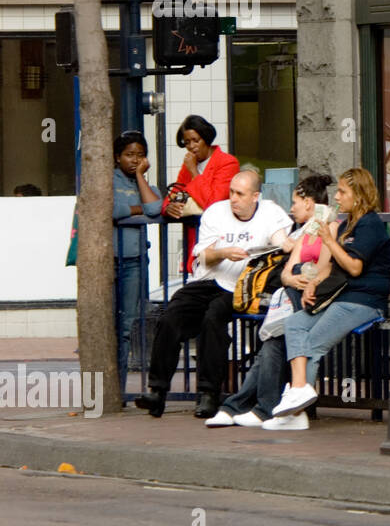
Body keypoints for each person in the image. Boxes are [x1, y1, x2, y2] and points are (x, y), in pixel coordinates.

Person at [135, 169, 291, 419]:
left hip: (242, 286)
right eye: (231, 192)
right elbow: (204, 254)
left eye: (240, 194)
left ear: (255, 197)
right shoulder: (216, 212)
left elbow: (281, 240)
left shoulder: (270, 212)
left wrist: (296, 243)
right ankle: (157, 390)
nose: (234, 198)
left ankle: (208, 393)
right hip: (209, 279)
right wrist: (224, 252)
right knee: (171, 317)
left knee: (213, 318)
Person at [205, 174, 334, 428]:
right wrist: (291, 278)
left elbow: (324, 267)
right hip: (292, 294)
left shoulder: (327, 227)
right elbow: (288, 270)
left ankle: (251, 407)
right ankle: (249, 407)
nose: (291, 208)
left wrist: (305, 281)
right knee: (272, 341)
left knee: (274, 341)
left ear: (309, 203)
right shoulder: (301, 232)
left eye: (296, 202)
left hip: (312, 298)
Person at [270, 168, 390, 429]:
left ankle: (295, 411)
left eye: (342, 192)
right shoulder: (349, 224)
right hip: (342, 296)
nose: (337, 197)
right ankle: (298, 397)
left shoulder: (370, 224)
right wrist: (313, 283)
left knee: (312, 343)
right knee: (295, 325)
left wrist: (329, 239)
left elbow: (354, 267)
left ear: (358, 196)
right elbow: (331, 267)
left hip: (365, 301)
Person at [112, 131, 162, 394]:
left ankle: (118, 391)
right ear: (117, 156)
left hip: (134, 262)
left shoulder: (141, 182)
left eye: (140, 155)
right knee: (110, 325)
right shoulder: (109, 179)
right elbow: (112, 209)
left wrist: (141, 178)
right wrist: (137, 207)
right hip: (109, 261)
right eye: (129, 155)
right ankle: (110, 389)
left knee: (127, 327)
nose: (134, 160)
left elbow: (156, 208)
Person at [163, 115, 240, 274]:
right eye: (187, 143)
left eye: (195, 140)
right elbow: (175, 192)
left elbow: (213, 202)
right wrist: (168, 207)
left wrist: (193, 172)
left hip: (220, 240)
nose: (191, 146)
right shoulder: (188, 165)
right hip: (195, 237)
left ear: (206, 138)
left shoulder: (227, 162)